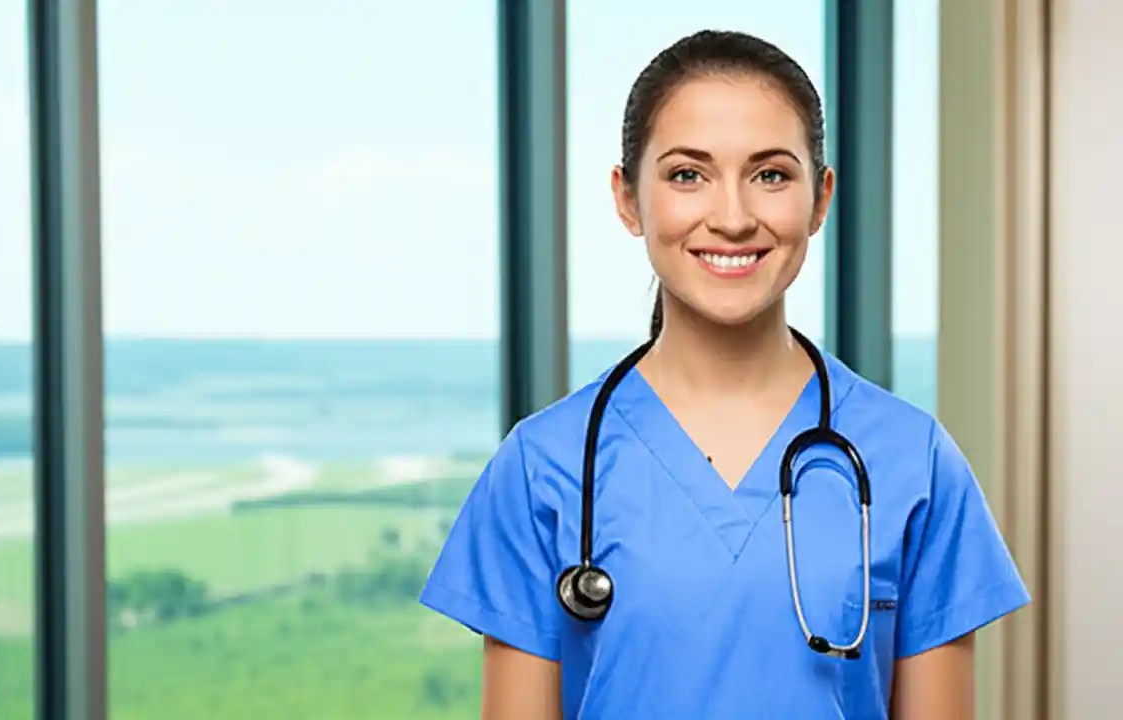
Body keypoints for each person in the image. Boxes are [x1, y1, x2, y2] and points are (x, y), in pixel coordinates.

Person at [418, 29, 1029, 719]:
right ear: (627, 199)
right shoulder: (542, 467)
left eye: (771, 174)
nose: (733, 218)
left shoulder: (913, 463)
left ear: (820, 199)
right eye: (687, 175)